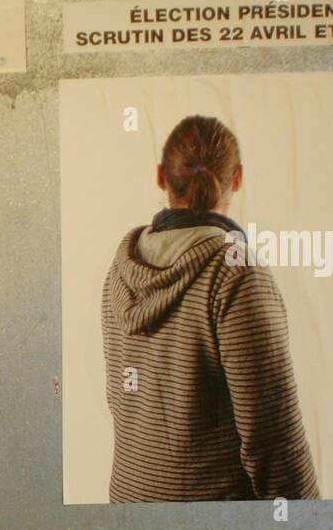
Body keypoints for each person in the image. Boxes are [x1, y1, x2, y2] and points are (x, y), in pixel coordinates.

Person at [101, 115, 319, 503]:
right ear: (236, 179)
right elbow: (273, 441)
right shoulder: (236, 274)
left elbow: (122, 405)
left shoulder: (121, 270)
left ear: (160, 177)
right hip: (210, 529)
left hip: (127, 509)